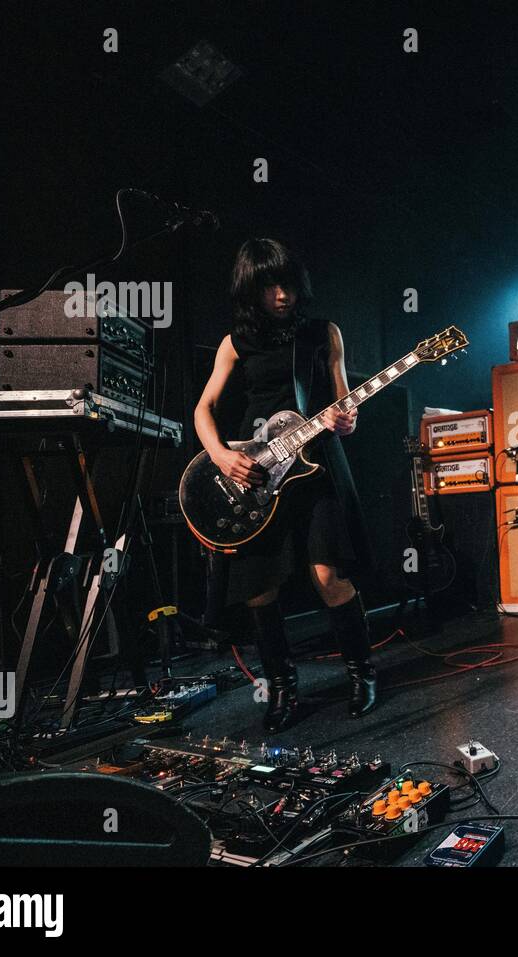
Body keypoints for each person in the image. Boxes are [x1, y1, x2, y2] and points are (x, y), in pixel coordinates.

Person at [193, 238, 377, 732]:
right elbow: (203, 408)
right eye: (270, 286)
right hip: (258, 469)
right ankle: (280, 687)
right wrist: (222, 456)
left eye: (288, 284)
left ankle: (362, 675)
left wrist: (347, 420)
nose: (282, 295)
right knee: (259, 589)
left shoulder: (323, 333)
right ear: (251, 289)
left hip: (318, 464)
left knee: (327, 576)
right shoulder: (235, 343)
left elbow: (346, 404)